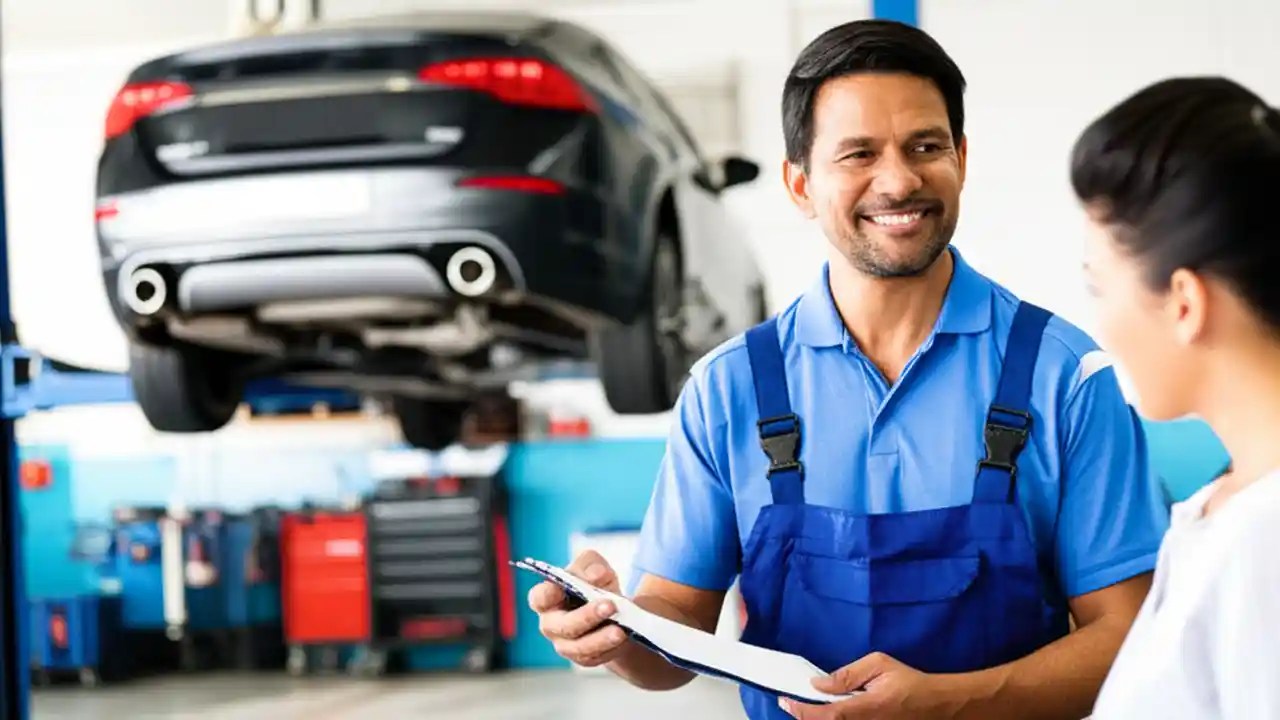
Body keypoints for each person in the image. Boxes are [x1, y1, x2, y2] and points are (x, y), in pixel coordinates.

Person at [528, 19, 1170, 720]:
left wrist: (946, 704)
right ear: (799, 184)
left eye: (926, 147)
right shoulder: (728, 390)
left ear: (961, 157)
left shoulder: (1064, 376)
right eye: (858, 153)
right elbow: (674, 628)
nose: (898, 180)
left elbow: (1130, 636)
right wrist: (615, 632)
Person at [1072, 77, 1280, 720]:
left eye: (1099, 287)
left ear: (1185, 303)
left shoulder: (1265, 547)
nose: (1098, 325)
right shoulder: (1219, 512)